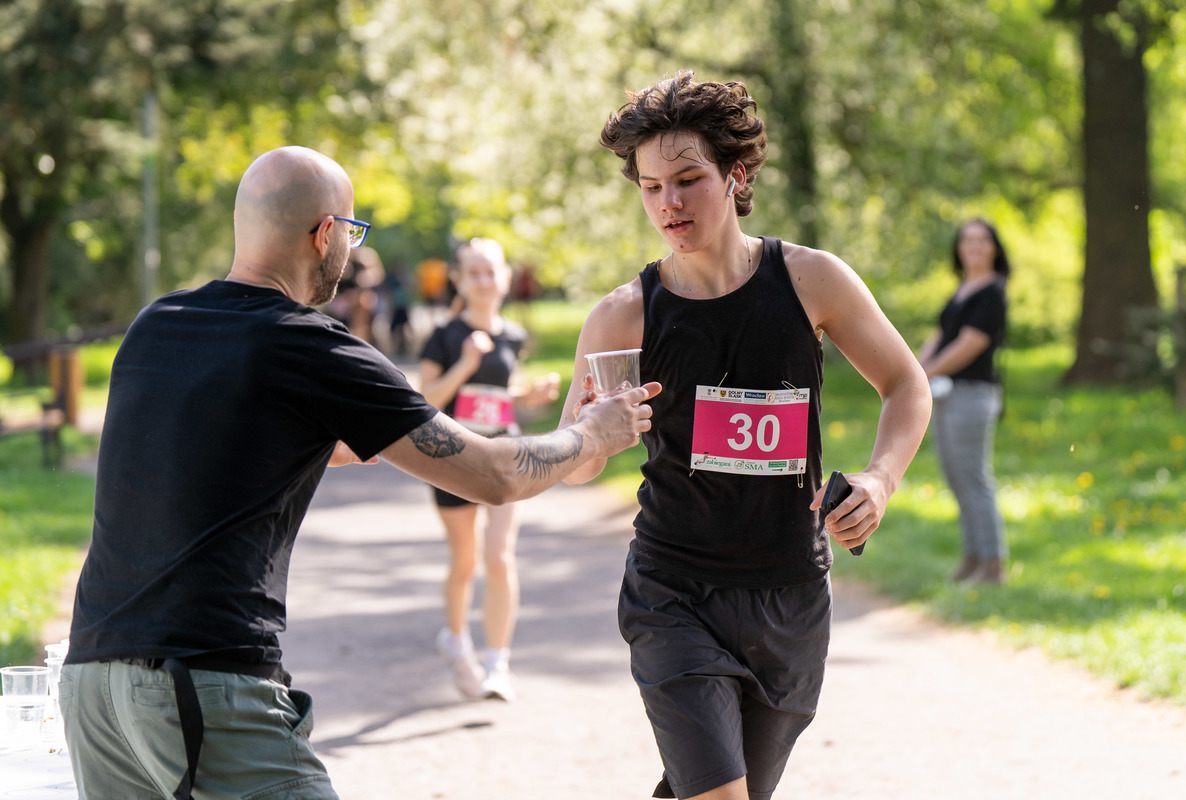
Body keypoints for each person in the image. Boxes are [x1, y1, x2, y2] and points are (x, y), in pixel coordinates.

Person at [58, 145, 658, 800]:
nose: (349, 247)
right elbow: (493, 476)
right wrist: (590, 434)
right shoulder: (306, 344)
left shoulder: (157, 325)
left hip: (91, 680)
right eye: (351, 229)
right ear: (324, 233)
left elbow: (255, 447)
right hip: (200, 679)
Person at [559, 72, 931, 800]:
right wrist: (594, 438)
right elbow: (571, 465)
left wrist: (882, 479)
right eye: (650, 186)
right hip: (673, 591)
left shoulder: (811, 281)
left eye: (687, 179)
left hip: (790, 595)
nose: (667, 202)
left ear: (736, 174)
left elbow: (906, 386)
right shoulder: (623, 316)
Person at [418, 237, 561, 702]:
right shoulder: (444, 336)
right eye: (473, 272)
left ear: (503, 278)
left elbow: (501, 396)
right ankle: (456, 641)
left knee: (500, 557)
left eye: (490, 271)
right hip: (453, 461)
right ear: (459, 280)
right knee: (465, 560)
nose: (483, 280)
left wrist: (530, 396)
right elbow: (424, 404)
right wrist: (464, 363)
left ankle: (498, 663)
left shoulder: (513, 336)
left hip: (504, 460)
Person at [918, 218, 1009, 585]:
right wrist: (914, 370)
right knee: (956, 477)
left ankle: (993, 564)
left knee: (973, 478)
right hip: (948, 394)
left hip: (974, 395)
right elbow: (942, 336)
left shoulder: (992, 293)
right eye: (967, 240)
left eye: (982, 240)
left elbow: (970, 344)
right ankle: (973, 556)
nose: (974, 246)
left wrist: (927, 374)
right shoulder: (962, 290)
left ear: (994, 248)